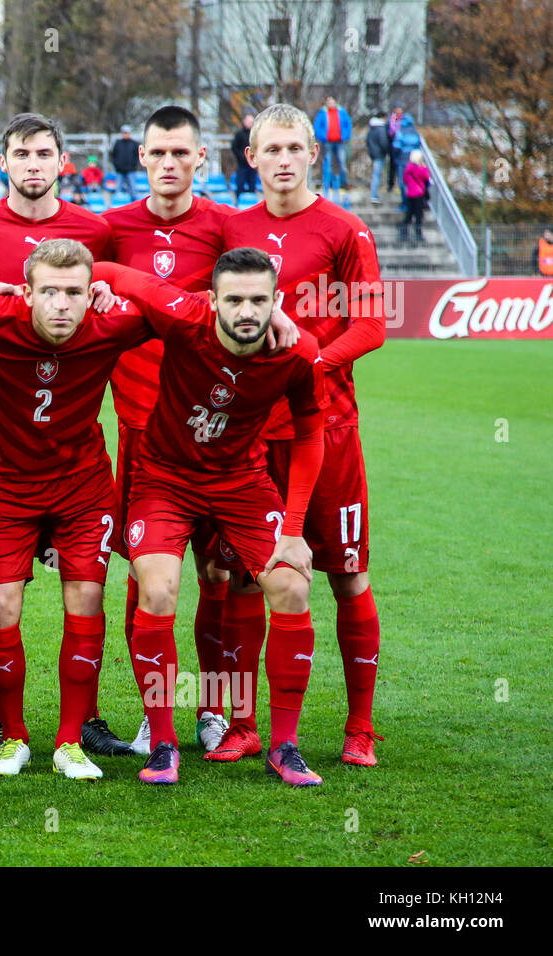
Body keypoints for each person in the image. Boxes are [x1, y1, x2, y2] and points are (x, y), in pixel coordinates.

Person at [0, 240, 160, 779]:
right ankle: (14, 737)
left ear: (89, 294)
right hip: (6, 487)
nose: (61, 304)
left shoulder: (111, 323)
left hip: (83, 488)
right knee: (0, 605)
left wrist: (112, 281)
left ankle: (70, 742)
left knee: (85, 599)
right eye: (47, 292)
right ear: (25, 293)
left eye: (74, 292)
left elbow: (176, 306)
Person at [0, 111, 118, 759]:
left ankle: (85, 722)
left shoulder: (96, 231)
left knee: (84, 584)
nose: (33, 163)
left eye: (45, 153)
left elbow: (114, 304)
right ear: (2, 162)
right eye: (21, 153)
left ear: (64, 161)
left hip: (72, 437)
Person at [114, 247, 327, 786]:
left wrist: (296, 530)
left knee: (291, 588)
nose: (247, 311)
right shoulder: (182, 317)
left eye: (260, 300)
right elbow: (109, 271)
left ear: (278, 301)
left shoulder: (298, 352)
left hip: (242, 483)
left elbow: (309, 434)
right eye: (234, 299)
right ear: (212, 301)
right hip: (163, 477)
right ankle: (163, 744)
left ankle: (284, 746)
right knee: (157, 591)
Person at [222, 103, 387, 767]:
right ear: (252, 157)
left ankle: (360, 728)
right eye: (273, 148)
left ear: (313, 155)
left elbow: (371, 327)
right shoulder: (232, 228)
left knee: (346, 576)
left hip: (327, 430)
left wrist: (308, 361)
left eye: (297, 147)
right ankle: (241, 725)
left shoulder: (346, 230)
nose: (285, 159)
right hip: (250, 436)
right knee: (243, 577)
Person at [102, 104, 237, 757]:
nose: (168, 164)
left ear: (201, 158)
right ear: (142, 157)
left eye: (181, 153)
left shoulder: (225, 228)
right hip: (139, 434)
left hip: (215, 435)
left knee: (220, 574)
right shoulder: (112, 229)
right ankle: (153, 717)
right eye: (157, 153)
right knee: (144, 578)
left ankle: (216, 711)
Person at [312, 95, 352, 206]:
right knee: (328, 162)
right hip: (328, 142)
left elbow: (348, 124)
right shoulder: (323, 112)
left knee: (342, 162)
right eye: (328, 102)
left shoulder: (341, 112)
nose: (330, 104)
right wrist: (322, 137)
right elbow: (317, 126)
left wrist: (346, 135)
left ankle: (344, 182)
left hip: (340, 141)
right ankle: (328, 183)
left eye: (332, 101)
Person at [388, 104, 420, 210]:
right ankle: (414, 205)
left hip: (402, 160)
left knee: (403, 183)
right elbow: (418, 147)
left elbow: (396, 146)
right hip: (414, 161)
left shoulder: (401, 132)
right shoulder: (415, 133)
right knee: (414, 183)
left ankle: (405, 204)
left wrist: (395, 157)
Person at [400, 149, 430, 245]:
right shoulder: (419, 168)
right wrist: (424, 167)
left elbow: (405, 179)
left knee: (409, 214)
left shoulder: (408, 167)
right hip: (418, 194)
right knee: (418, 215)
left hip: (410, 193)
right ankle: (418, 234)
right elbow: (426, 177)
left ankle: (404, 233)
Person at [232, 112, 258, 204]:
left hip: (253, 166)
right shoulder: (239, 134)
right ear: (244, 122)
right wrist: (241, 157)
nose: (250, 123)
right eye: (249, 121)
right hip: (242, 165)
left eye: (252, 122)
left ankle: (252, 204)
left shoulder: (255, 135)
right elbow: (234, 147)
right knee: (240, 185)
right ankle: (238, 203)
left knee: (252, 186)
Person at [111, 125, 141, 201]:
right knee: (118, 190)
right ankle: (118, 207)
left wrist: (133, 166)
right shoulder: (118, 143)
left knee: (133, 190)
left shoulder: (134, 144)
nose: (125, 134)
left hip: (131, 171)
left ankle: (134, 206)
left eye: (127, 133)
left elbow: (137, 156)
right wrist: (117, 165)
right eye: (124, 133)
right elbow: (113, 155)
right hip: (119, 171)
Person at [366, 112, 391, 205]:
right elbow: (383, 142)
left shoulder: (371, 128)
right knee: (376, 175)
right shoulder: (381, 129)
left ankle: (373, 194)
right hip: (379, 154)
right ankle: (374, 195)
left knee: (375, 174)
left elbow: (368, 141)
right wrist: (388, 151)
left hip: (373, 154)